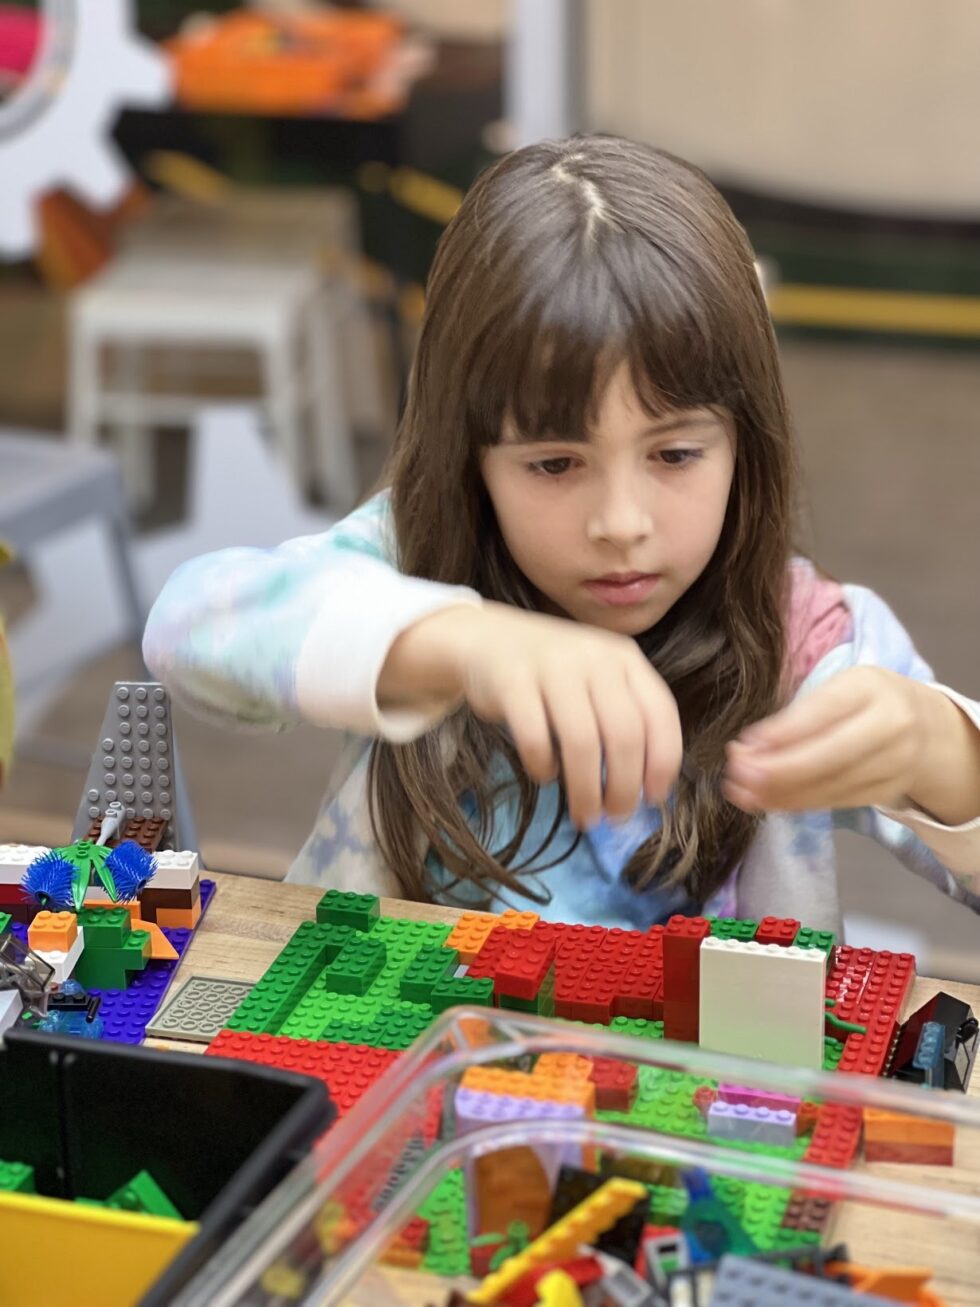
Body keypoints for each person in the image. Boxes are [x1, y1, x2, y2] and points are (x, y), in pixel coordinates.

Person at [143, 135, 980, 933]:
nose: (621, 524)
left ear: (744, 444)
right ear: (469, 459)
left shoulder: (813, 644)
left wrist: (943, 753)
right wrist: (461, 641)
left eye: (676, 452)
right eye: (554, 465)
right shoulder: (411, 562)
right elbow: (189, 627)